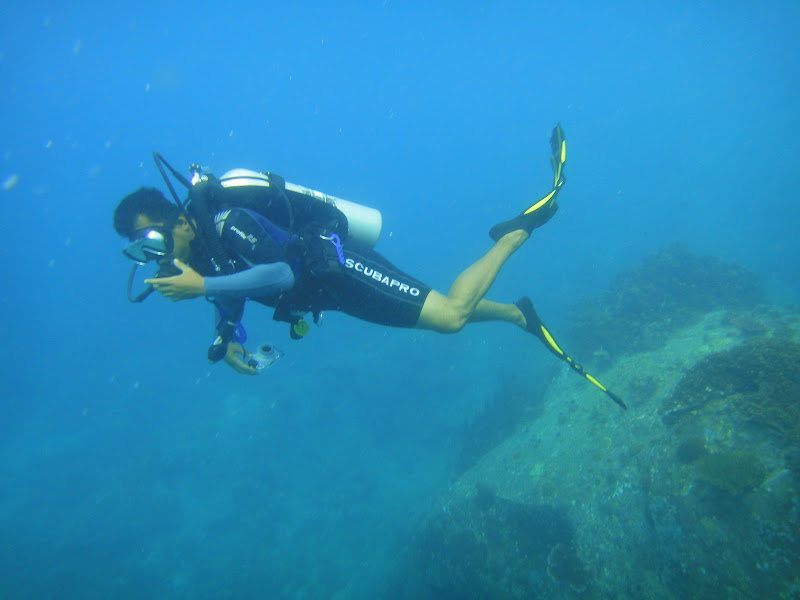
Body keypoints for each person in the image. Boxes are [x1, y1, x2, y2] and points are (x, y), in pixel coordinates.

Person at [113, 125, 626, 409]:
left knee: (448, 317)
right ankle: (519, 314)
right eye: (138, 249)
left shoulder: (225, 222)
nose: (151, 254)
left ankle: (515, 232)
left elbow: (281, 275)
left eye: (148, 239)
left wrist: (203, 285)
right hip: (331, 292)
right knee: (443, 314)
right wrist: (226, 336)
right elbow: (230, 290)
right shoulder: (201, 252)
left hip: (333, 265)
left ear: (176, 219)